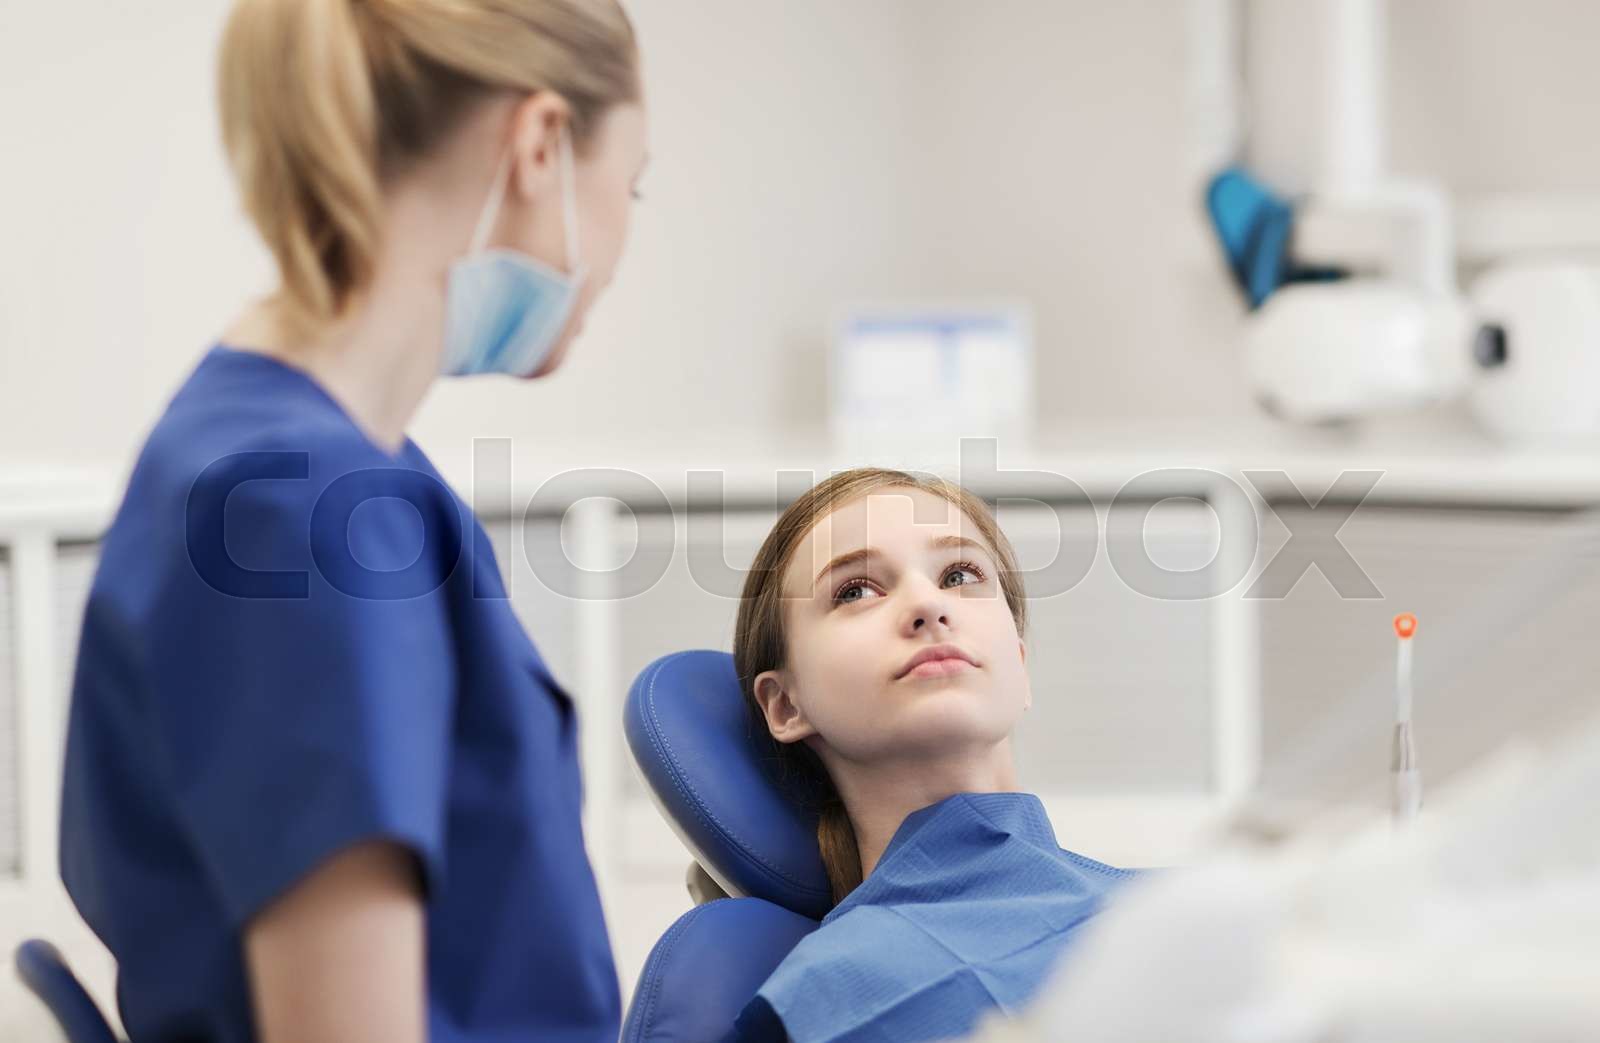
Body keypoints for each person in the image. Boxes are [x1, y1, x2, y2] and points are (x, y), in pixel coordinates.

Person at [57, 2, 647, 1040]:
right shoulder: (305, 511)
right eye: (629, 184)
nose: (622, 241)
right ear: (540, 144)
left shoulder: (277, 452)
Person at [729, 468, 1142, 1042]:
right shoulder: (819, 1003)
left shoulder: (1184, 910)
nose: (927, 604)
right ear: (785, 706)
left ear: (1019, 666)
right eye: (855, 591)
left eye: (959, 574)